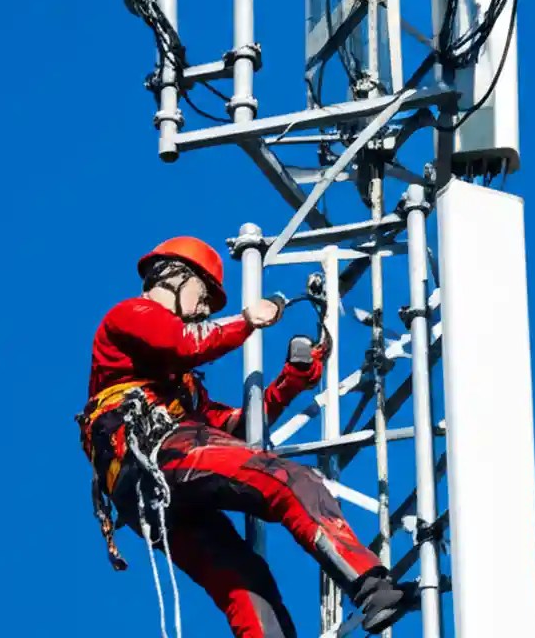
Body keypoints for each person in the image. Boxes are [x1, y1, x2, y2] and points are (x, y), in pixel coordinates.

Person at [77, 236, 412, 638]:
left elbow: (232, 429)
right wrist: (248, 319)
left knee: (243, 579)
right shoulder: (131, 315)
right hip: (155, 454)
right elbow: (185, 343)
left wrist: (289, 382)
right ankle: (370, 585)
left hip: (149, 484)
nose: (203, 310)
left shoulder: (181, 389)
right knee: (285, 480)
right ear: (172, 276)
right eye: (202, 296)